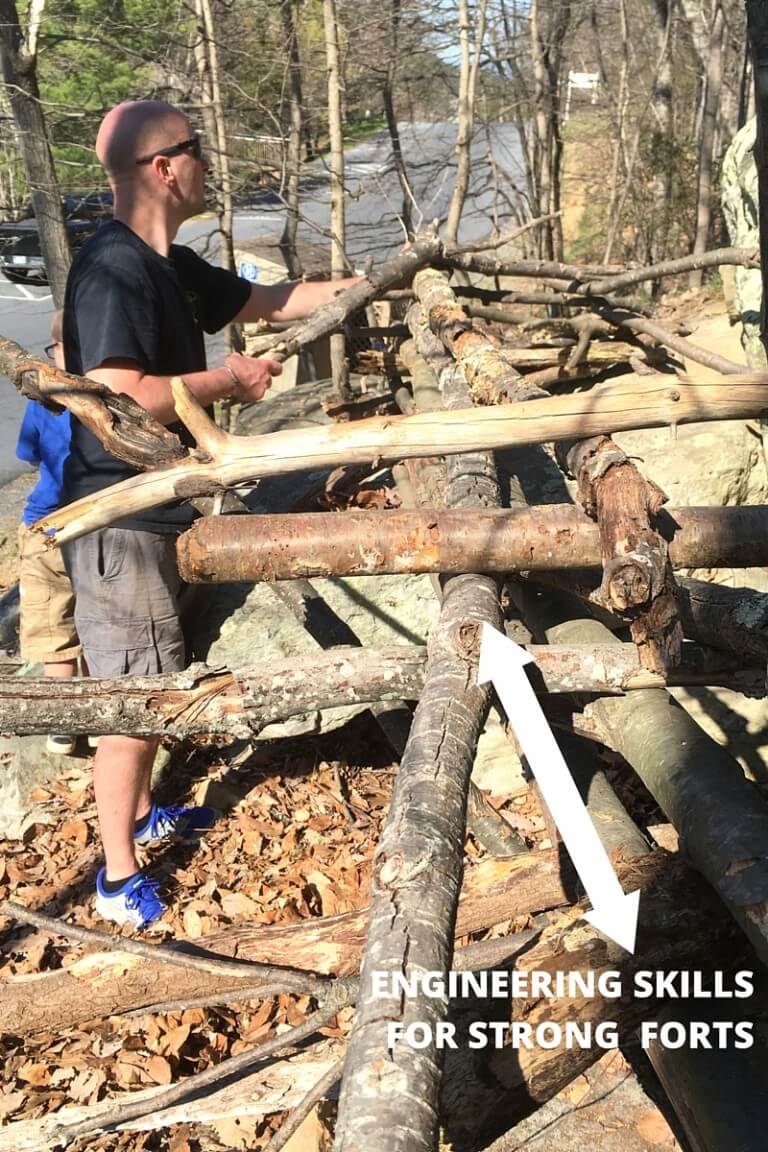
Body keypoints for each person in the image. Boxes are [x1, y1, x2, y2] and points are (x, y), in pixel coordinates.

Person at [61, 99, 360, 930]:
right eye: (197, 151)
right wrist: (226, 382)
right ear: (164, 166)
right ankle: (116, 878)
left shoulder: (172, 264)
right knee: (136, 697)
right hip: (119, 516)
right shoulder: (113, 268)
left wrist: (371, 280)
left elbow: (272, 299)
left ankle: (147, 811)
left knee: (158, 666)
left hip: (166, 507)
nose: (207, 165)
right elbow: (121, 397)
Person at [16, 311, 82, 756]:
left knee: (53, 622)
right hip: (105, 520)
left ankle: (64, 722)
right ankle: (105, 709)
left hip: (46, 522)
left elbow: (30, 454)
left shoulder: (43, 398)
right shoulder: (116, 392)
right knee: (99, 618)